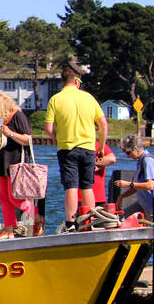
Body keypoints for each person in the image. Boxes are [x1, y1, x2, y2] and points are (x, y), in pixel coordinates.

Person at [44, 65, 108, 229]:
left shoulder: (55, 99)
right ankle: (91, 219)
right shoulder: (88, 98)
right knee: (87, 186)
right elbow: (103, 124)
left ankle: (71, 222)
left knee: (71, 186)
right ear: (77, 82)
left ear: (63, 82)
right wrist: (100, 147)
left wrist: (57, 137)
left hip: (67, 148)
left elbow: (48, 129)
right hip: (88, 147)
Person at [0, 91, 36, 238]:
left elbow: (28, 139)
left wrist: (10, 133)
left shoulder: (17, 116)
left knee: (14, 198)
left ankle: (36, 214)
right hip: (2, 163)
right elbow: (0, 141)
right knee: (4, 198)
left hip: (16, 163)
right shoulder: (1, 120)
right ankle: (9, 230)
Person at [115, 134, 154, 219]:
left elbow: (150, 185)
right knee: (120, 218)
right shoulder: (140, 161)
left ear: (135, 149)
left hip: (151, 207)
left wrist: (128, 184)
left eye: (128, 152)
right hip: (142, 203)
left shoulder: (148, 161)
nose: (127, 156)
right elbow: (137, 187)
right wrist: (121, 196)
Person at [92, 139, 118, 208]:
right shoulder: (74, 147)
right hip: (78, 197)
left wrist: (89, 163)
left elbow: (111, 159)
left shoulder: (98, 145)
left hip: (99, 197)